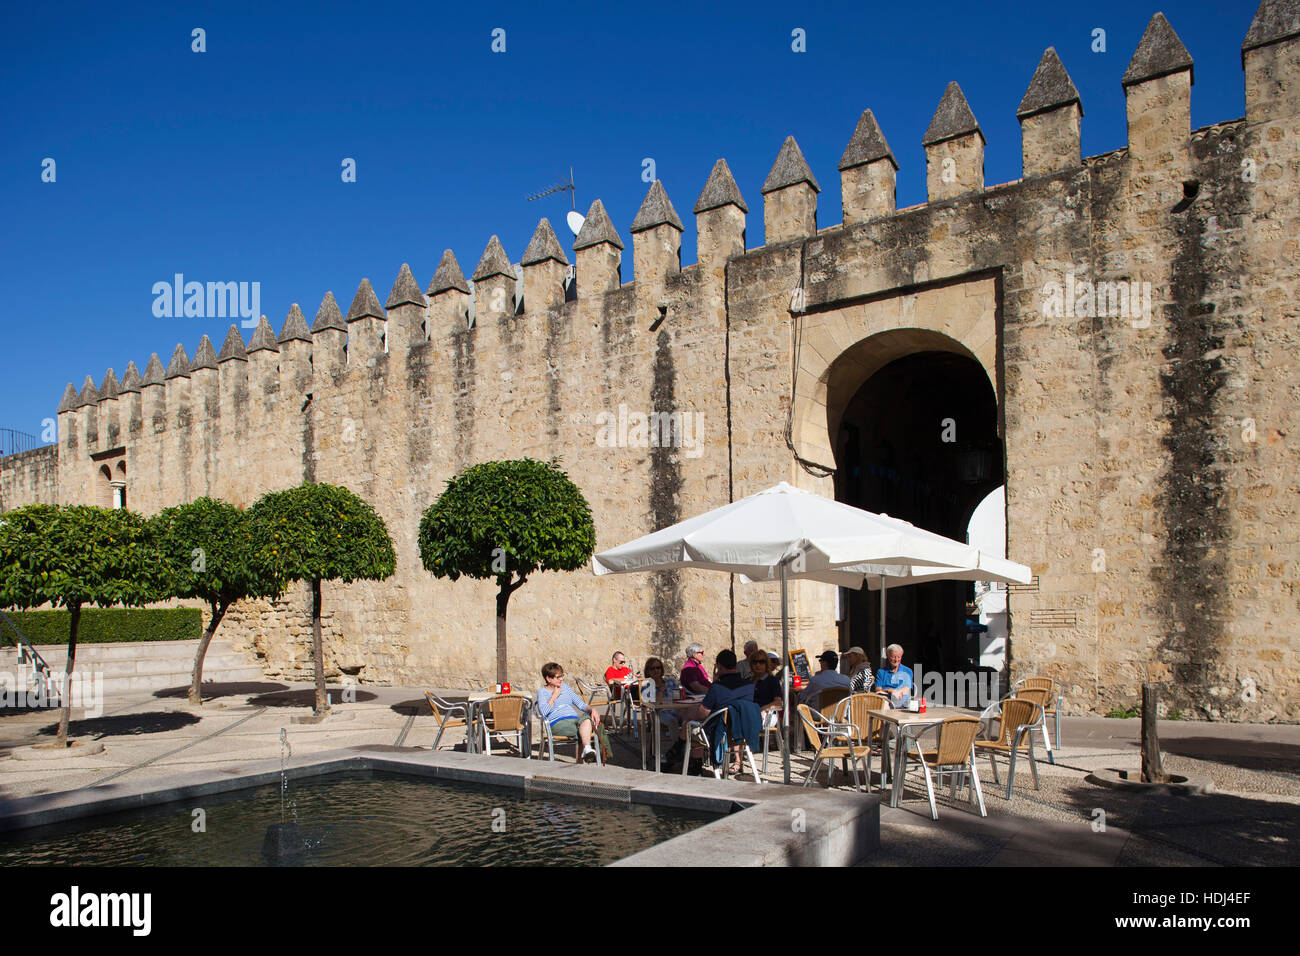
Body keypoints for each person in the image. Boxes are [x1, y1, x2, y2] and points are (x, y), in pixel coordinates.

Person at [536, 662, 611, 762]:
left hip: (574, 720)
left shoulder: (566, 688)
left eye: (562, 676)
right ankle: (583, 756)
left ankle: (587, 750)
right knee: (584, 730)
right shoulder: (542, 692)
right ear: (548, 679)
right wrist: (554, 696)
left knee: (587, 719)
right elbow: (543, 712)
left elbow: (581, 704)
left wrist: (592, 710)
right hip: (557, 723)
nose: (561, 679)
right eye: (558, 677)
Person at [875, 643, 914, 708]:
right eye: (893, 657)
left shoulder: (907, 671)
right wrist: (889, 690)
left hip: (901, 698)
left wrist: (896, 693)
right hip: (886, 698)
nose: (896, 660)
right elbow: (878, 689)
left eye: (899, 657)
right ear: (887, 656)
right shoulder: (881, 672)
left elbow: (907, 689)